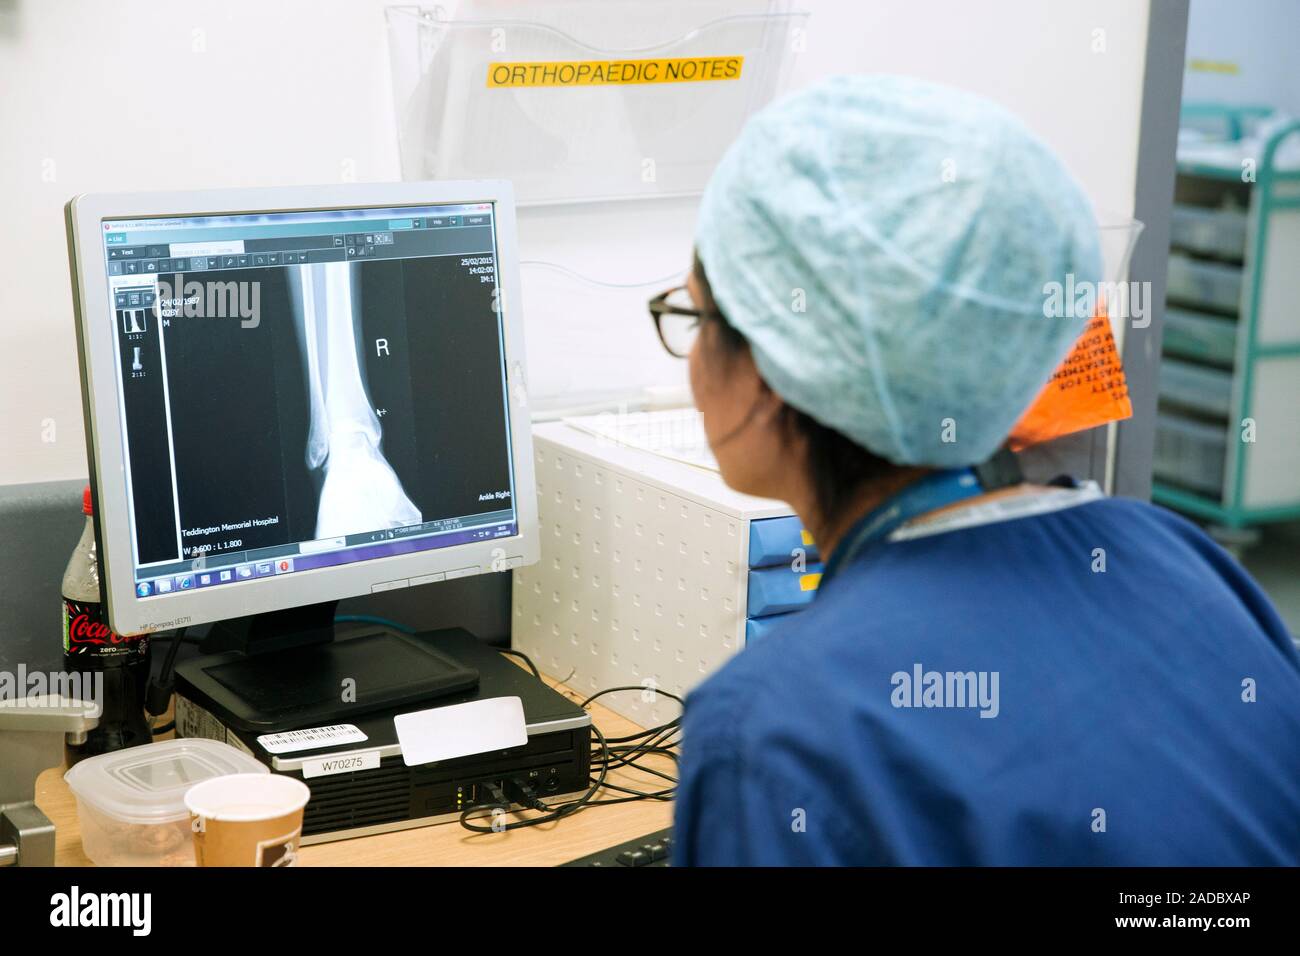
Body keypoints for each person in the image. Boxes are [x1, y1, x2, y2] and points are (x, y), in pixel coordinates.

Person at [658, 75, 1300, 865]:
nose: (689, 363)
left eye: (692, 316)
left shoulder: (773, 733)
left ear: (771, 369)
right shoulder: (1176, 554)